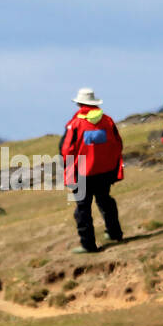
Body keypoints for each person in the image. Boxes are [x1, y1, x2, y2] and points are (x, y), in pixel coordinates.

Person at [58, 88, 124, 253]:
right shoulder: (107, 121)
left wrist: (67, 167)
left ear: (80, 104)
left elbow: (66, 150)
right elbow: (118, 144)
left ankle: (88, 245)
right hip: (104, 171)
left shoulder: (75, 124)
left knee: (83, 209)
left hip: (82, 173)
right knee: (105, 201)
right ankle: (115, 233)